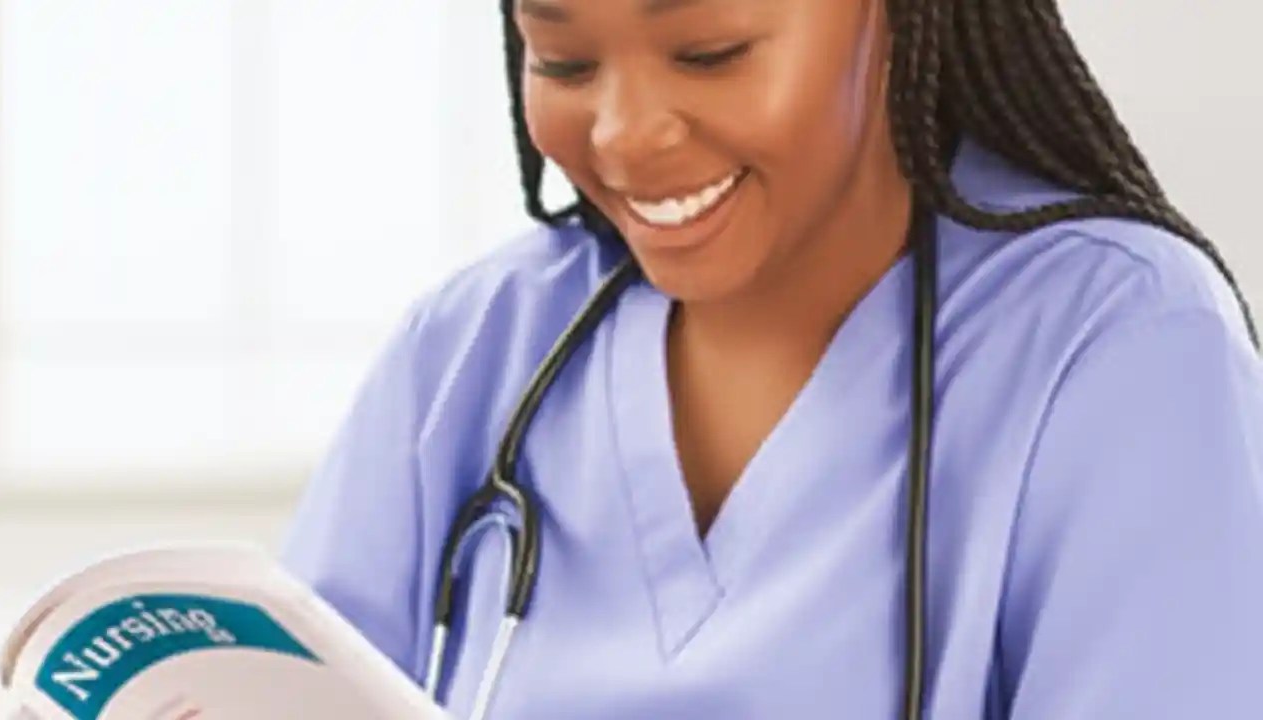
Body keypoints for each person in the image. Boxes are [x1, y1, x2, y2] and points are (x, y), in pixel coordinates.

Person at [279, 0, 1263, 717]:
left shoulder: (1120, 339)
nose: (624, 135)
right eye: (565, 62)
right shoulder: (475, 345)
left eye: (708, 54)